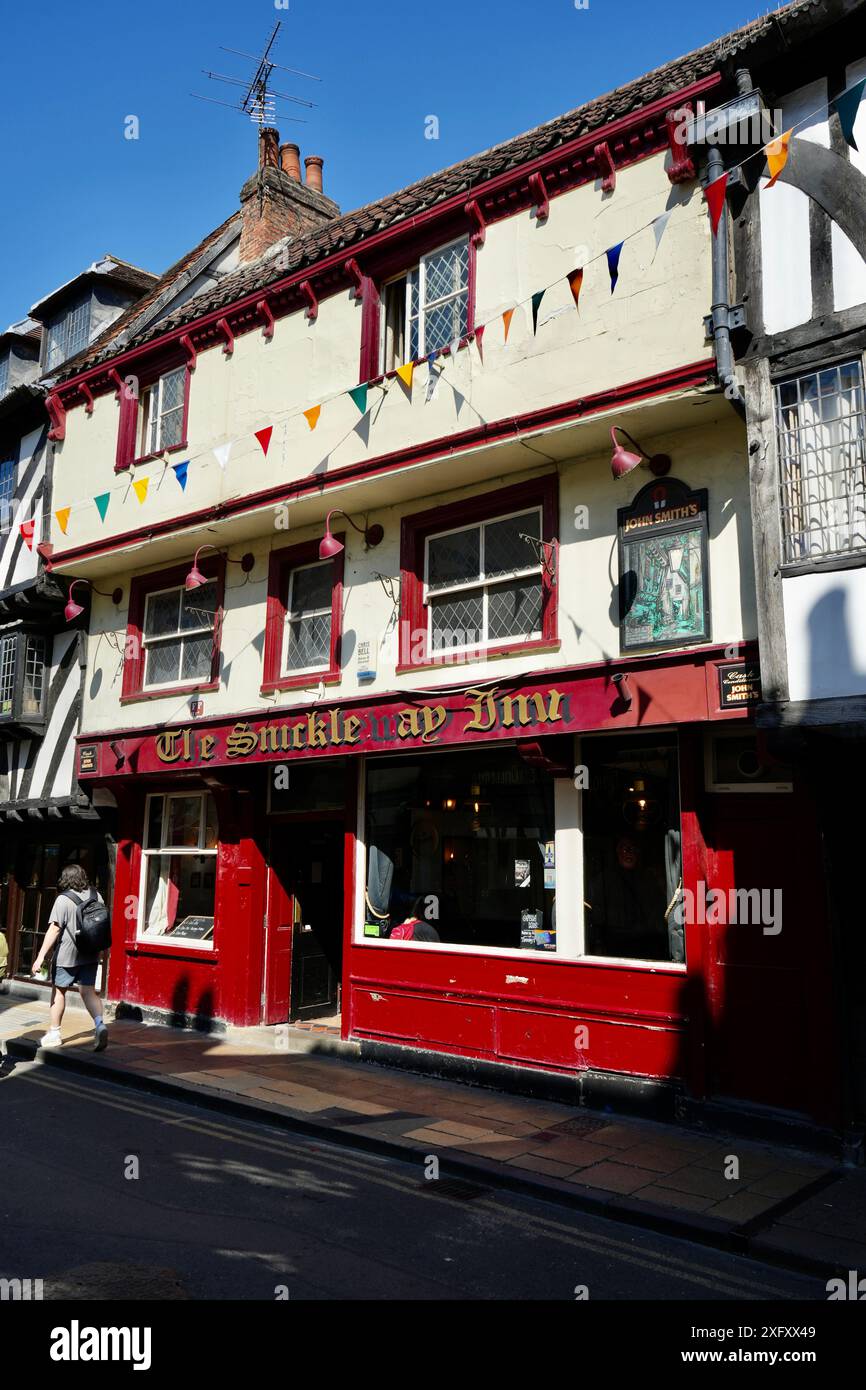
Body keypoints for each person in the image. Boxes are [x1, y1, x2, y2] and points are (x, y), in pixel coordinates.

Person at [30, 864, 109, 1051]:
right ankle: (100, 1024)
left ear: (65, 879)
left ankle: (55, 1033)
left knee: (59, 992)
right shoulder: (97, 895)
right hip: (90, 954)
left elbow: (55, 929)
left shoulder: (63, 899)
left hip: (67, 955)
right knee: (88, 992)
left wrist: (40, 957)